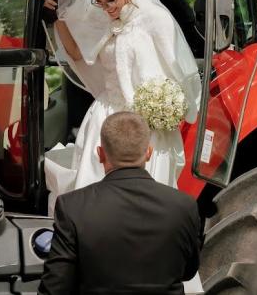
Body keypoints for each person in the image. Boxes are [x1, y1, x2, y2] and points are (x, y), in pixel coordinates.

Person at [38, 0, 201, 201]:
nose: (106, 8)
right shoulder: (101, 14)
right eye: (98, 2)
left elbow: (178, 70)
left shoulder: (156, 18)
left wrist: (165, 106)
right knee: (91, 195)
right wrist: (57, 19)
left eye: (111, 0)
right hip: (105, 116)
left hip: (145, 125)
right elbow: (76, 53)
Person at [38, 112, 202, 295]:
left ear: (100, 154)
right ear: (148, 152)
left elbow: (55, 287)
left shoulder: (72, 207)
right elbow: (188, 271)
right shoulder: (184, 206)